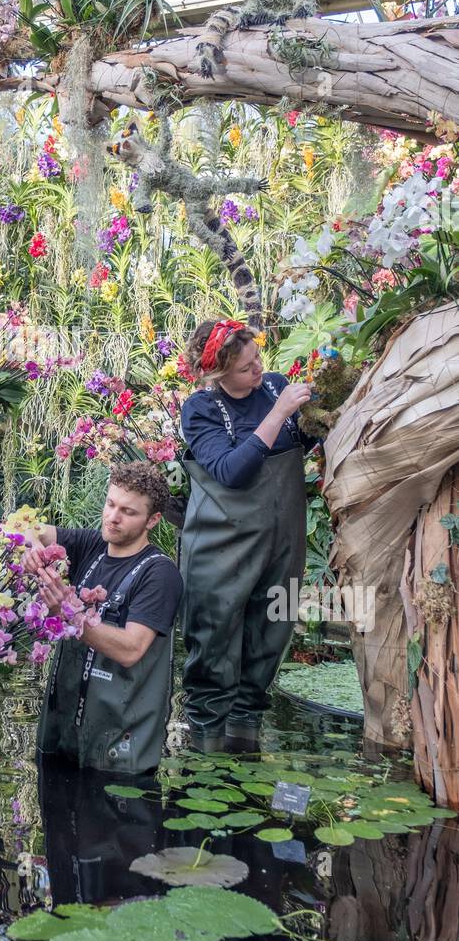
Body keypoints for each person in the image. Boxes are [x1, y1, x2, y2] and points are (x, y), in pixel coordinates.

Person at [179, 318, 317, 751]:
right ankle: (203, 756)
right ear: (217, 374)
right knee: (214, 643)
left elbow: (308, 439)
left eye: (257, 358)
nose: (258, 370)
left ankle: (245, 742)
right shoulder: (201, 409)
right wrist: (279, 416)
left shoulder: (275, 386)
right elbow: (229, 472)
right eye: (245, 367)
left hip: (282, 545)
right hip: (222, 548)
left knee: (271, 636)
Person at [24, 461, 183, 775]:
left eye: (128, 511)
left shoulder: (160, 573)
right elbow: (26, 526)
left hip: (122, 755)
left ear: (153, 520)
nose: (113, 517)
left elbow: (131, 649)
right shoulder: (91, 546)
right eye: (110, 504)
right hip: (63, 737)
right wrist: (31, 548)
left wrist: (69, 615)